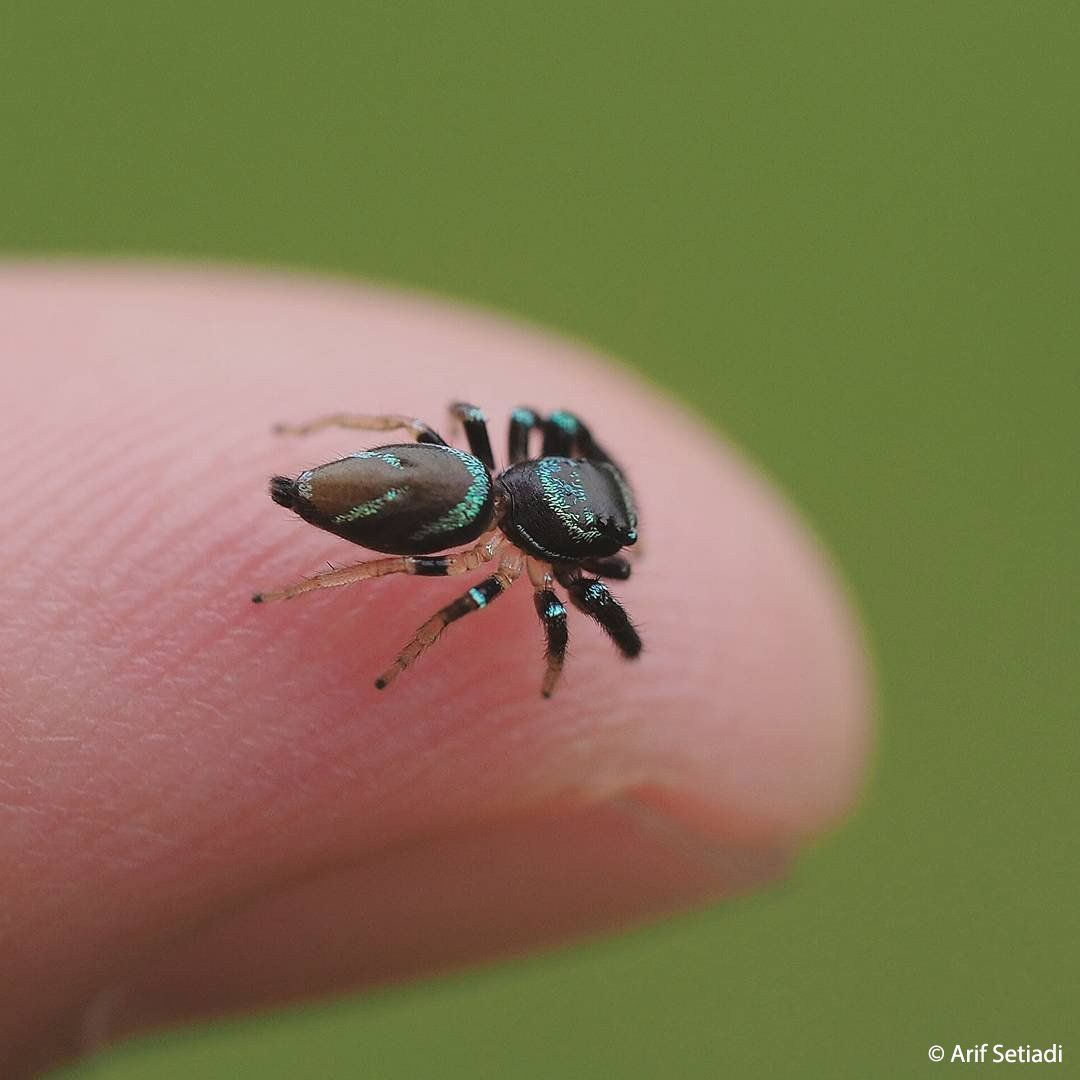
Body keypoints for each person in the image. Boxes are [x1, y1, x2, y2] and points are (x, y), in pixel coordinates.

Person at [0, 264, 871, 1078]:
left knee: (430, 472)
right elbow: (550, 614)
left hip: (453, 473)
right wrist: (546, 677)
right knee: (433, 582)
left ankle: (314, 484)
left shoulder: (513, 450)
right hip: (453, 502)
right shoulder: (535, 568)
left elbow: (549, 426)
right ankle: (311, 529)